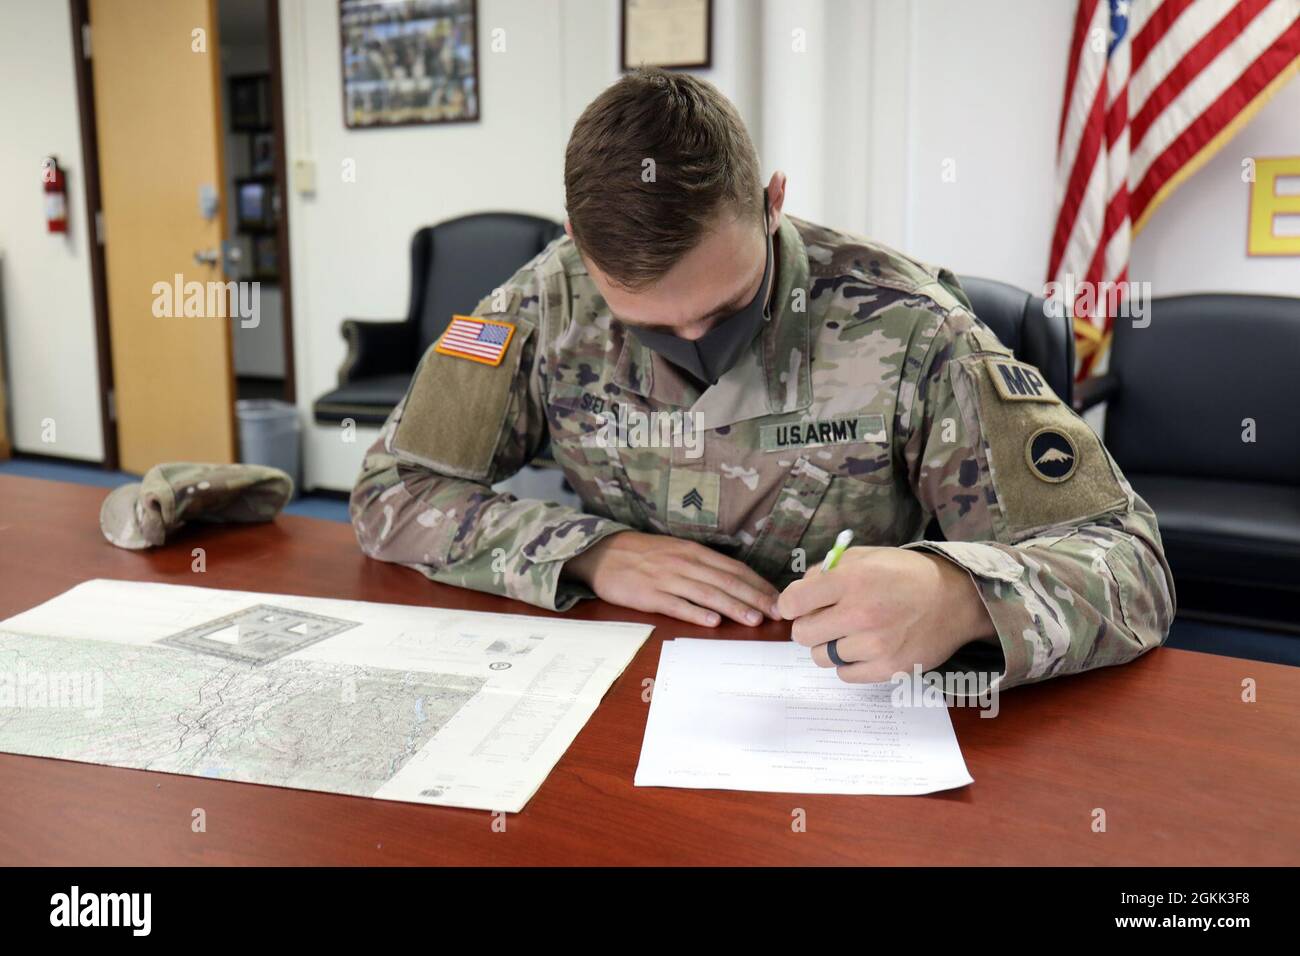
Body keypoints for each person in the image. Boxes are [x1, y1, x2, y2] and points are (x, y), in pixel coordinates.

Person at [350, 69, 1174, 690]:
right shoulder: (540, 301)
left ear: (773, 202)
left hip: (856, 699)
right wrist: (591, 553)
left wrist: (958, 595)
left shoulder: (913, 328)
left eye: (727, 307)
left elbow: (1132, 563)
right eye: (648, 322)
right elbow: (392, 489)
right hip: (631, 688)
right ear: (579, 243)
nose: (694, 342)